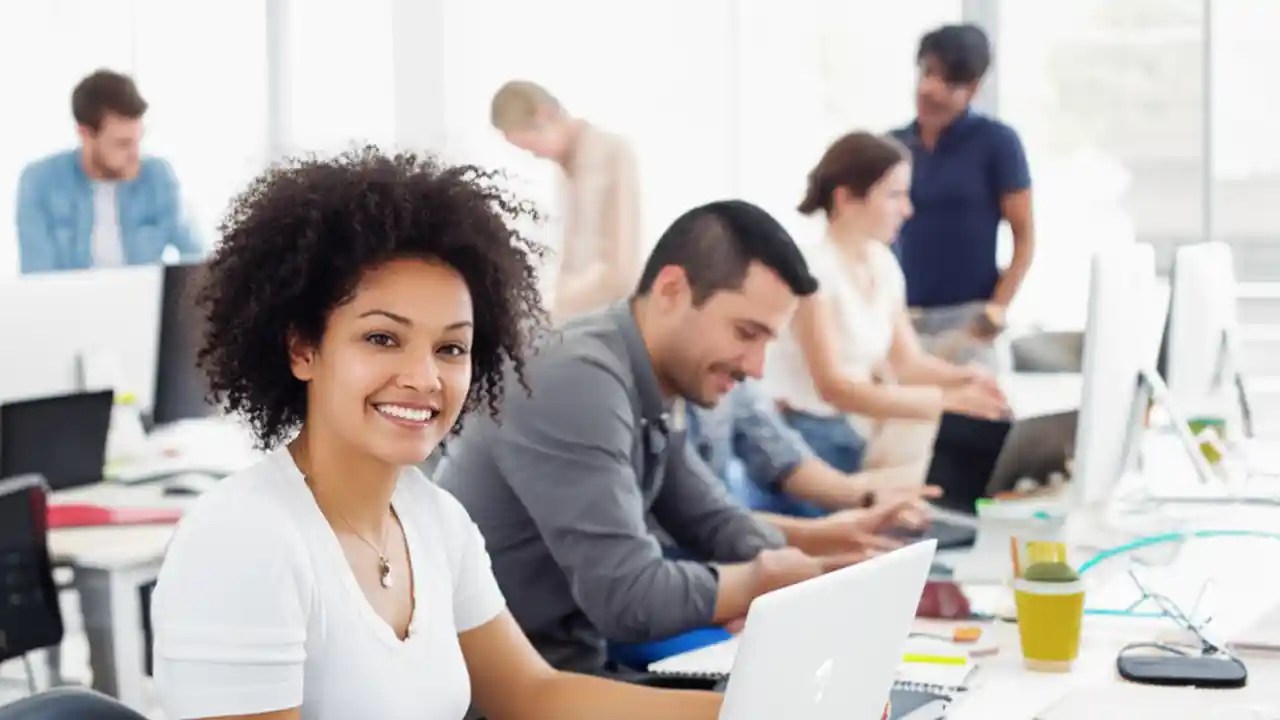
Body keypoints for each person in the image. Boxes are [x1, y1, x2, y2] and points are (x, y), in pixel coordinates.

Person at [148, 148, 722, 720]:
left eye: (451, 348)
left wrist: (749, 708)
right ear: (303, 348)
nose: (424, 379)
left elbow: (533, 696)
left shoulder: (434, 520)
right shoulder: (245, 539)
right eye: (382, 339)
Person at [438, 200, 872, 678]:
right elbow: (627, 596)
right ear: (671, 290)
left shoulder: (649, 379)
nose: (756, 367)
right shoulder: (577, 376)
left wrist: (824, 574)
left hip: (573, 670)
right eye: (747, 333)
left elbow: (711, 520)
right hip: (507, 693)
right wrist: (760, 580)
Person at [765, 131, 1010, 476]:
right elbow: (835, 388)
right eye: (894, 195)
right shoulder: (813, 272)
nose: (908, 210)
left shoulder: (883, 264)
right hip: (807, 437)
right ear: (847, 198)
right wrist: (944, 402)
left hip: (854, 431)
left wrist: (966, 377)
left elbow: (908, 364)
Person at [890, 24, 1035, 367]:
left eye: (947, 81)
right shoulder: (893, 146)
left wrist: (996, 311)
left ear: (973, 88)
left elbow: (1025, 237)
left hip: (969, 317)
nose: (930, 88)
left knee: (976, 415)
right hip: (902, 318)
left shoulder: (997, 143)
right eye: (927, 73)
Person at [16, 69, 201, 273]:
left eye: (138, 140)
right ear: (85, 134)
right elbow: (38, 278)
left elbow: (196, 258)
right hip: (72, 303)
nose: (135, 155)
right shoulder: (41, 182)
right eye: (123, 144)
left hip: (142, 302)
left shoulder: (157, 176)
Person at [686, 378, 939, 525]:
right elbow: (696, 522)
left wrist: (871, 498)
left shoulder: (737, 383)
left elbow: (783, 456)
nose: (759, 369)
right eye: (746, 332)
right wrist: (814, 537)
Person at [490, 79, 641, 322]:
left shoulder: (613, 153)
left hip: (609, 321)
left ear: (545, 115)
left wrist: (555, 306)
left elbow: (620, 270)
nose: (537, 156)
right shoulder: (564, 169)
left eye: (532, 148)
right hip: (577, 321)